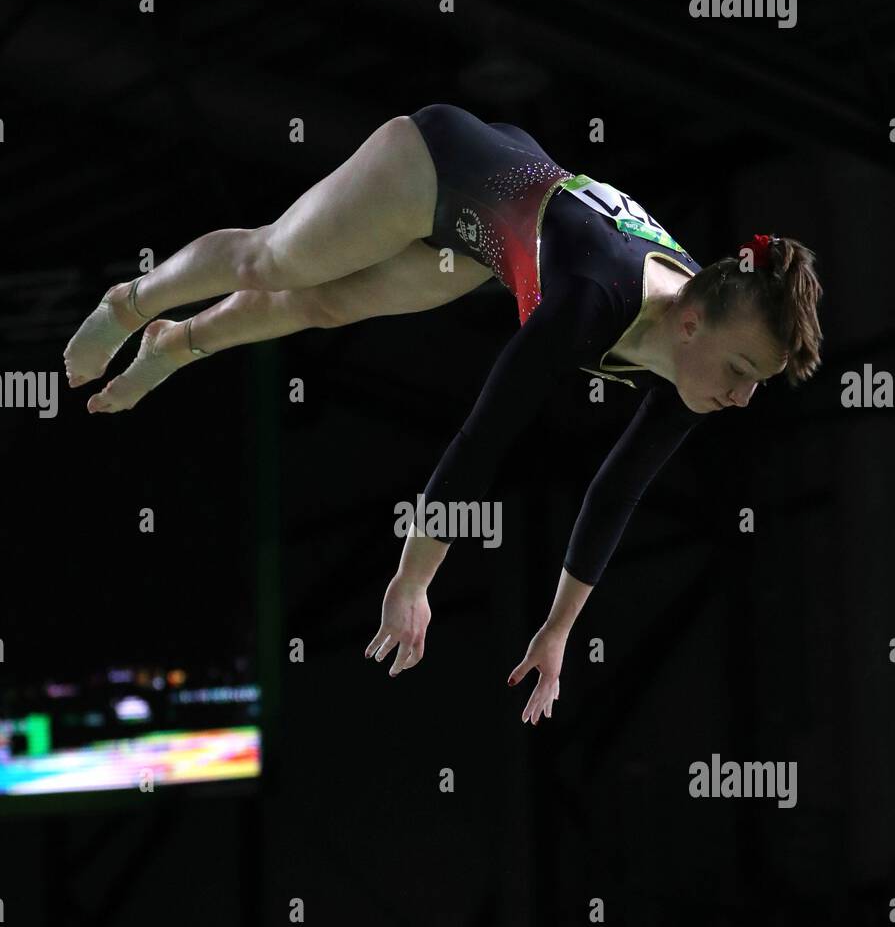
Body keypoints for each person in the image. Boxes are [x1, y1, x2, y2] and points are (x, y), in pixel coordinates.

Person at [64, 105, 823, 723]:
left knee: (323, 306)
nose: (741, 397)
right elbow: (483, 434)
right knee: (275, 262)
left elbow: (616, 488)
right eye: (742, 371)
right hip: (434, 163)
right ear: (690, 324)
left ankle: (177, 345)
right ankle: (130, 302)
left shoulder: (694, 358)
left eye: (756, 381)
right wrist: (411, 578)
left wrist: (556, 632)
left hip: (488, 229)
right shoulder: (592, 299)